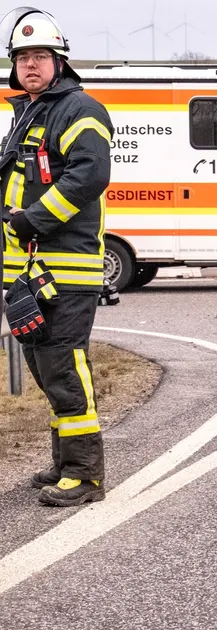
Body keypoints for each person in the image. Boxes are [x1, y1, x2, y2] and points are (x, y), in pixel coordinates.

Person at [0, 8, 114, 507]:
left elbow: (89, 176)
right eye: (22, 56)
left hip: (65, 271)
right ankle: (63, 464)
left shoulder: (78, 109)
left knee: (65, 369)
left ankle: (86, 476)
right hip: (30, 275)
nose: (30, 64)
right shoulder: (28, 113)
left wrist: (35, 219)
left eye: (40, 56)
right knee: (47, 371)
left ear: (60, 62)